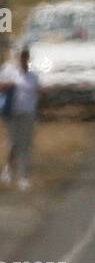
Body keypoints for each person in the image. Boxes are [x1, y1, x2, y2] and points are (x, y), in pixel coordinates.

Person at [0, 47, 40, 190]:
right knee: (14, 143)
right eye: (20, 57)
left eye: (25, 57)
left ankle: (24, 177)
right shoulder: (8, 71)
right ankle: (8, 170)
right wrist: (9, 85)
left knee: (25, 145)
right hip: (11, 113)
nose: (23, 59)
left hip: (28, 113)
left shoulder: (33, 76)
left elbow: (36, 93)